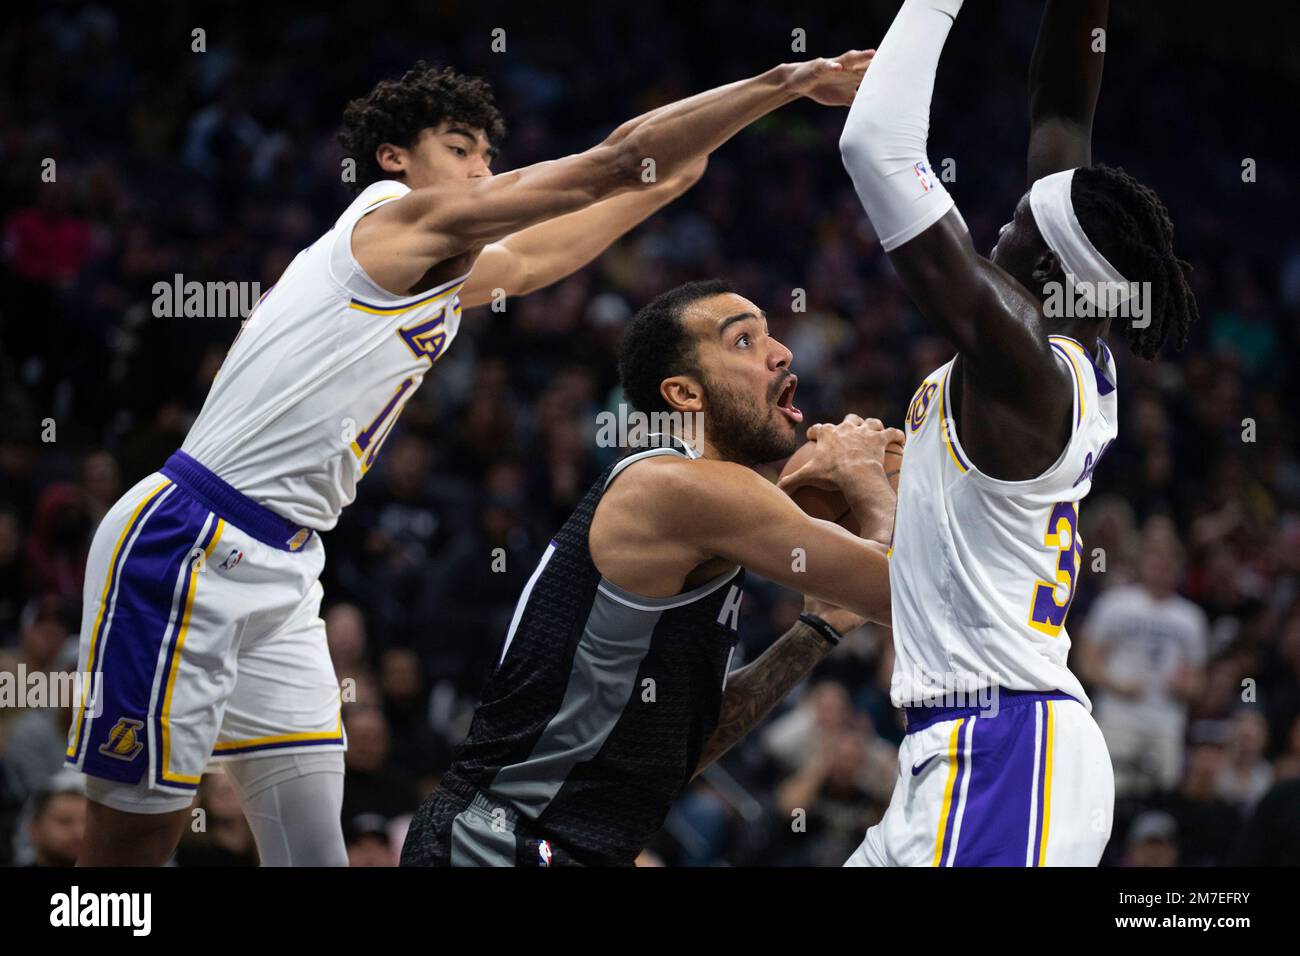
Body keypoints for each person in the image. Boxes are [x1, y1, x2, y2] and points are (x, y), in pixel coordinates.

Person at [66, 54, 874, 866]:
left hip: (285, 562)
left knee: (313, 850)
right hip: (189, 542)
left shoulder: (434, 273)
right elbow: (615, 160)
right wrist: (789, 84)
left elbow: (531, 261)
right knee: (127, 855)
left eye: (489, 154)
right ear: (395, 160)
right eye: (461, 148)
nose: (482, 169)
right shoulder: (386, 222)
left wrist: (658, 189)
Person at [837, 0, 1196, 866]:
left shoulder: (1025, 369)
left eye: (1009, 232)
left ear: (1043, 274)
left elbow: (873, 148)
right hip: (974, 748)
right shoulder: (1070, 344)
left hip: (1004, 752)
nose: (993, 229)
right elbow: (1063, 114)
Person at [401, 280, 901, 866]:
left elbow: (671, 755)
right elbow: (903, 592)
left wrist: (815, 631)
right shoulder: (674, 486)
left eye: (771, 332)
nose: (781, 351)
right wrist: (867, 477)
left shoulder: (704, 517)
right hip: (497, 845)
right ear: (684, 393)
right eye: (743, 339)